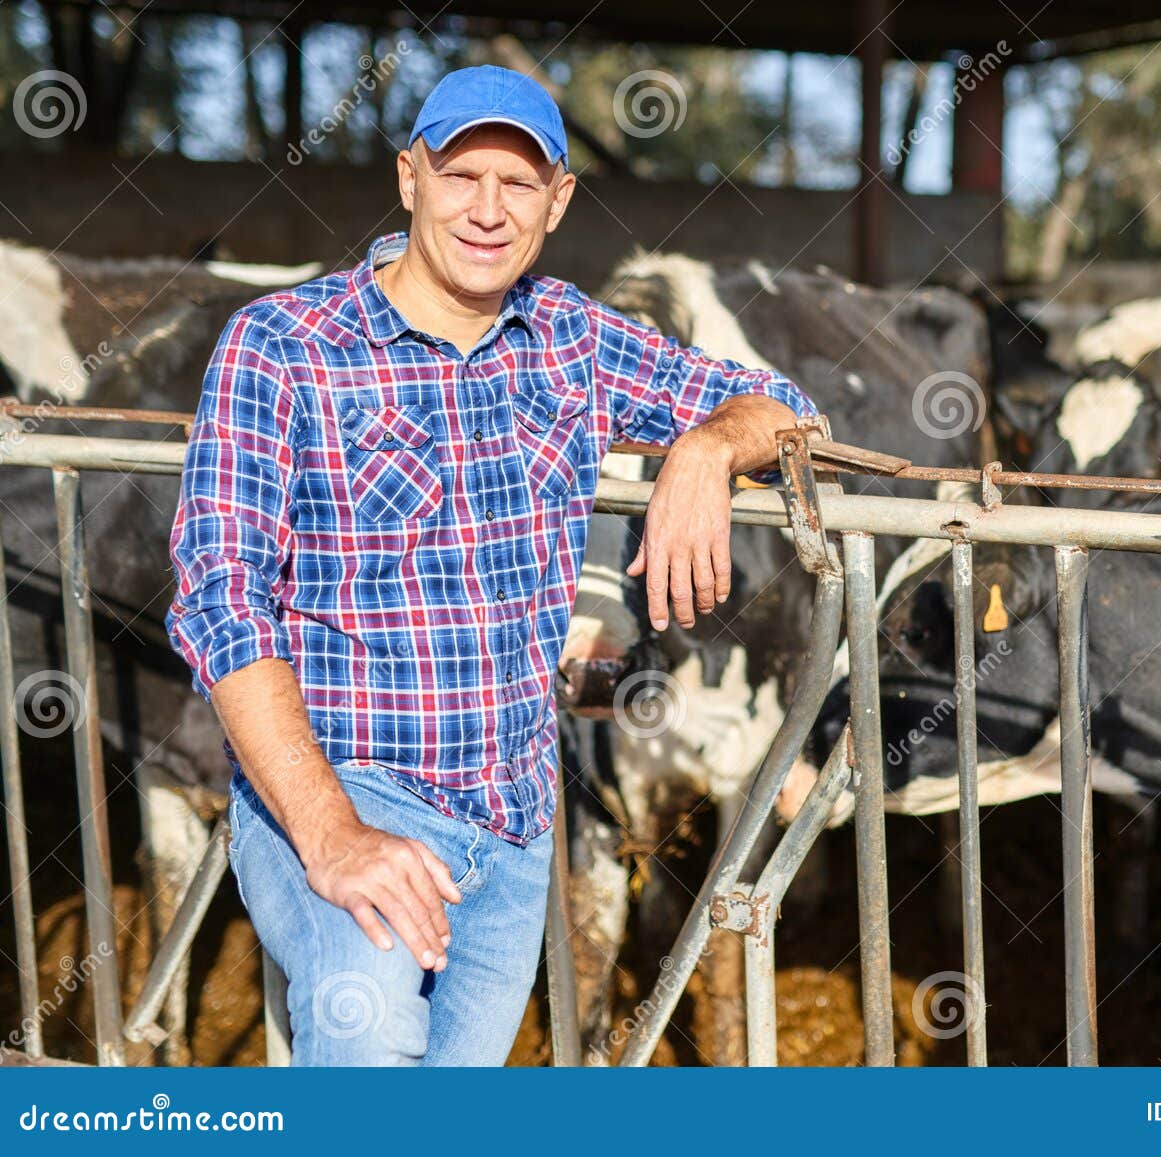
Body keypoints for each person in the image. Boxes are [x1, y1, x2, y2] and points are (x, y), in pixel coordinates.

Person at [167, 65, 816, 1066]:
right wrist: (334, 833)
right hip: (349, 786)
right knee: (370, 1044)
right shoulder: (284, 344)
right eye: (460, 174)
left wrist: (704, 449)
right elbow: (222, 601)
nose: (486, 209)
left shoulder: (570, 337)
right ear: (408, 178)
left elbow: (781, 402)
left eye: (518, 185)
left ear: (557, 201)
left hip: (511, 826)